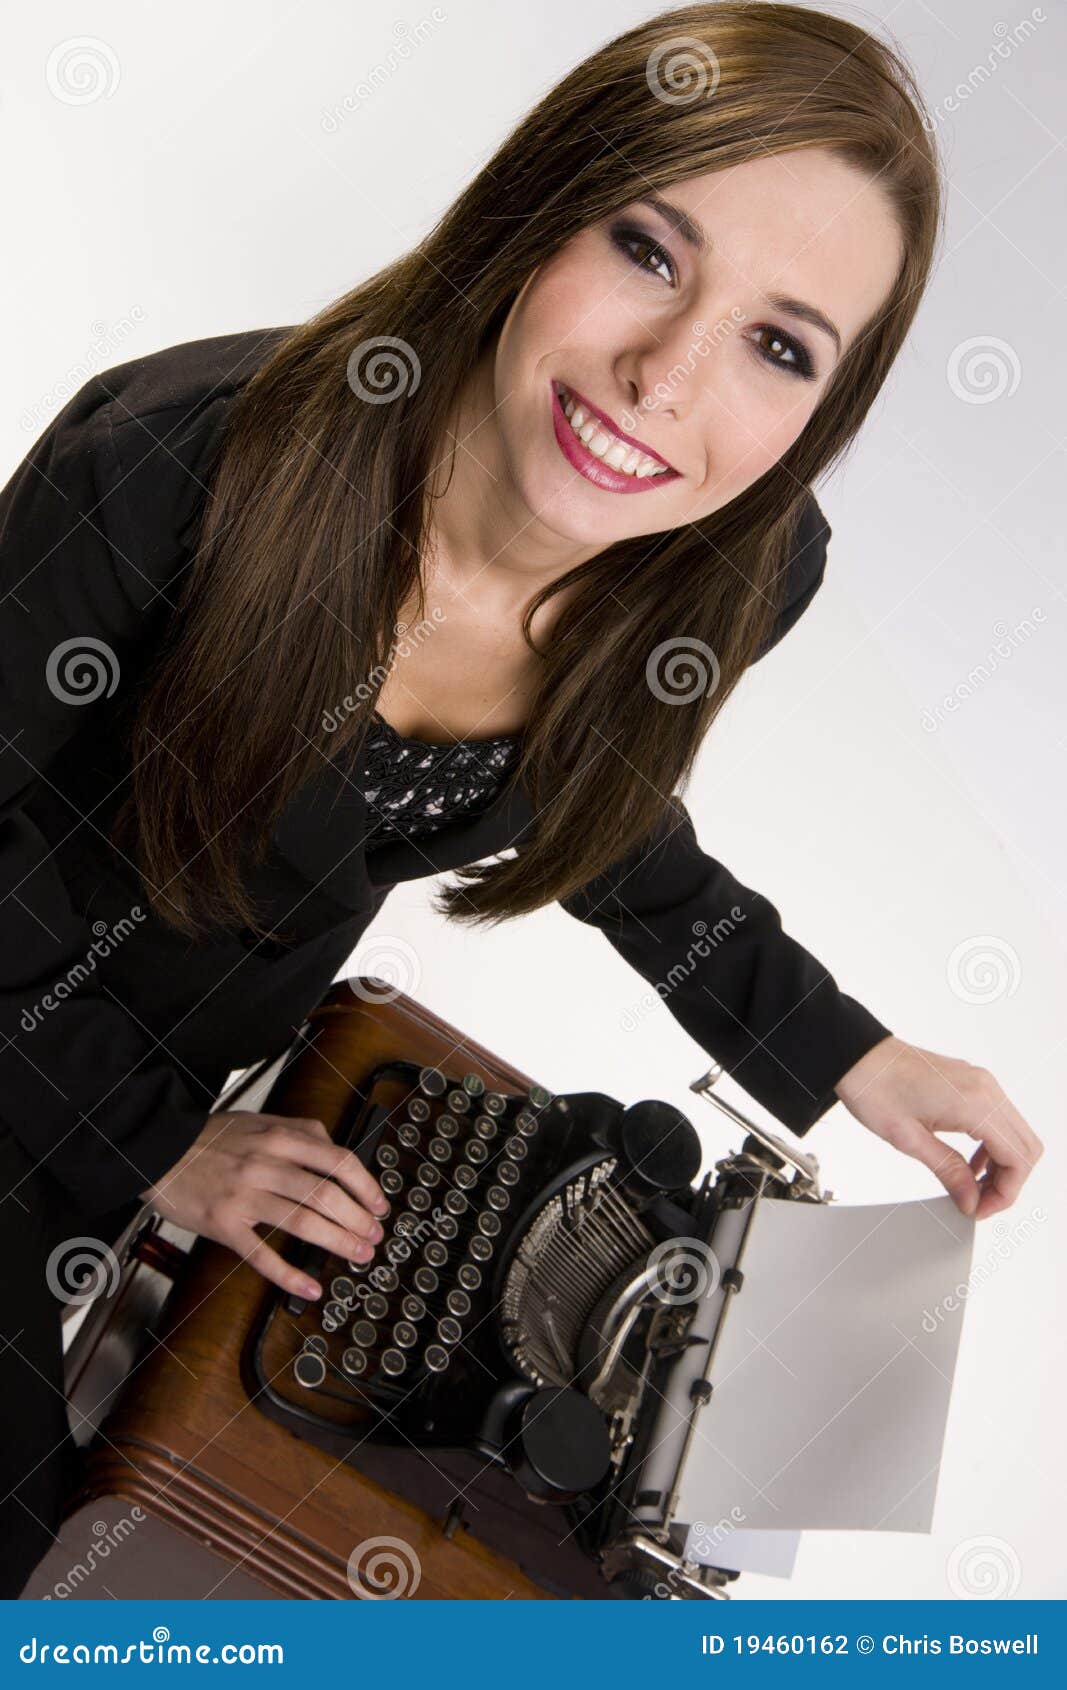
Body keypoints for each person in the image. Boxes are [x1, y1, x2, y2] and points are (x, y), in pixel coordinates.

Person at [0, 1, 1042, 1598]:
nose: (667, 379)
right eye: (647, 249)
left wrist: (846, 1053)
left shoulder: (735, 574)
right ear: (532, 214)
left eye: (779, 345)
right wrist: (158, 1151)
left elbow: (602, 812)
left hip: (190, 1086)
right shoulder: (169, 464)